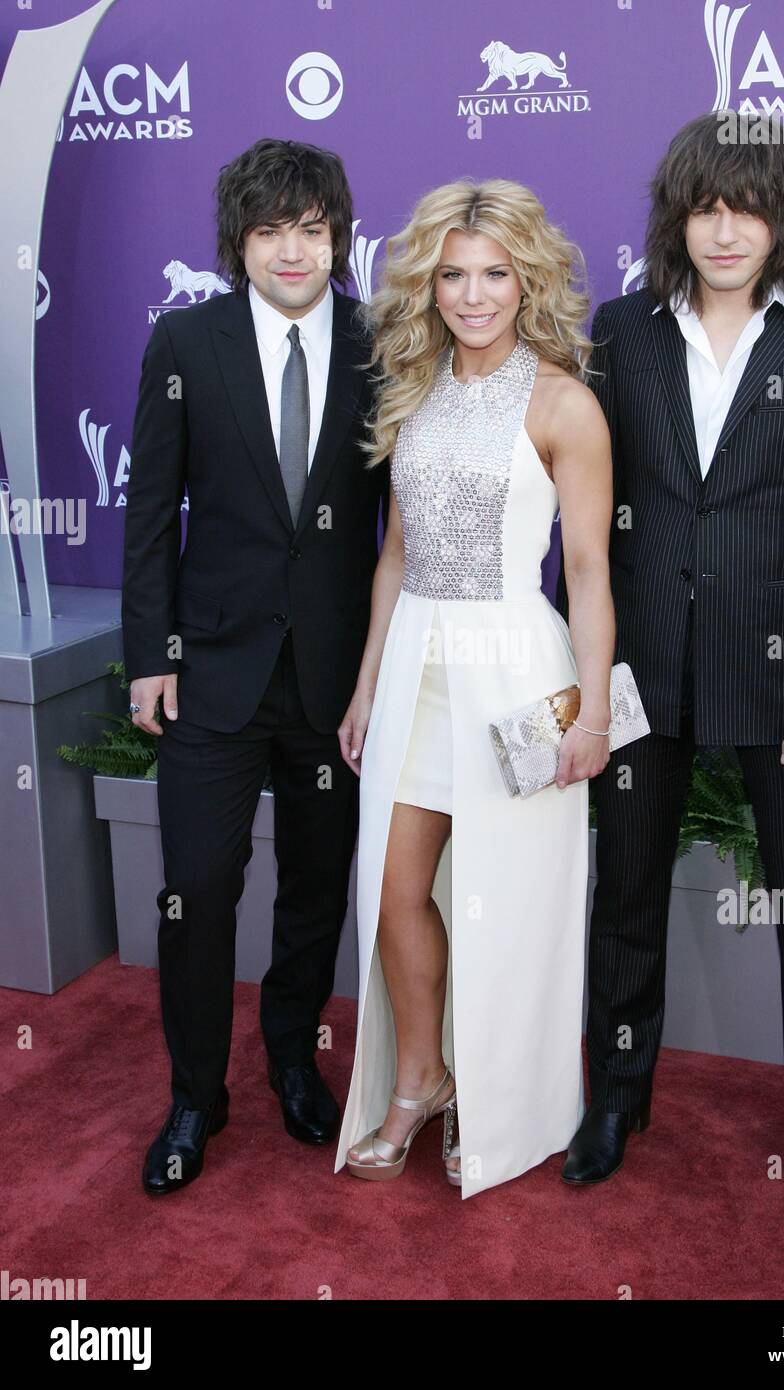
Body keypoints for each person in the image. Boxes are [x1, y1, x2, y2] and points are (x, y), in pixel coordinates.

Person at [557, 113, 784, 1199]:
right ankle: (616, 1099)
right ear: (676, 217)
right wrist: (577, 672)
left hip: (783, 672)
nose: (724, 230)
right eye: (704, 208)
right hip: (639, 666)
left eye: (746, 208)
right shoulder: (622, 329)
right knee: (624, 897)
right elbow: (586, 513)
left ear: (782, 217)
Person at [332, 178, 615, 1198]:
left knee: (506, 902)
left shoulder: (563, 403)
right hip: (418, 664)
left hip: (517, 673)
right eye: (452, 276)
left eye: (494, 274)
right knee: (393, 890)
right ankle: (423, 1078)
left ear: (526, 280)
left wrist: (591, 711)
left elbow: (587, 570)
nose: (473, 295)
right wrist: (367, 684)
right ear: (429, 284)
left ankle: (503, 1104)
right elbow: (394, 558)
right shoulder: (413, 390)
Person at [122, 138, 387, 1195]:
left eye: (312, 230)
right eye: (270, 230)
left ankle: (291, 1057)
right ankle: (195, 1095)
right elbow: (151, 513)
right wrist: (150, 656)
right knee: (195, 888)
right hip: (210, 671)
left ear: (338, 239)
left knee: (316, 890)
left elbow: (404, 520)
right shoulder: (187, 341)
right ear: (237, 241)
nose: (292, 251)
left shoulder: (382, 343)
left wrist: (378, 671)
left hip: (333, 681)